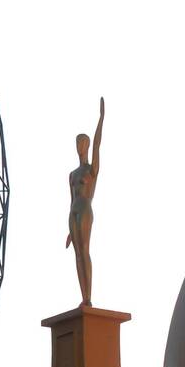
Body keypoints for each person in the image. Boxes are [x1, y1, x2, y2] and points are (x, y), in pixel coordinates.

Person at [66, 97, 104, 306]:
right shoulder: (72, 174)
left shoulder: (91, 170)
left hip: (85, 209)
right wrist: (69, 233)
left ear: (87, 146)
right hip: (73, 212)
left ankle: (88, 297)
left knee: (85, 251)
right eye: (77, 143)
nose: (79, 146)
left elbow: (98, 144)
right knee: (77, 255)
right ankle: (84, 297)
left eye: (83, 143)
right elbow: (70, 199)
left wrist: (101, 119)